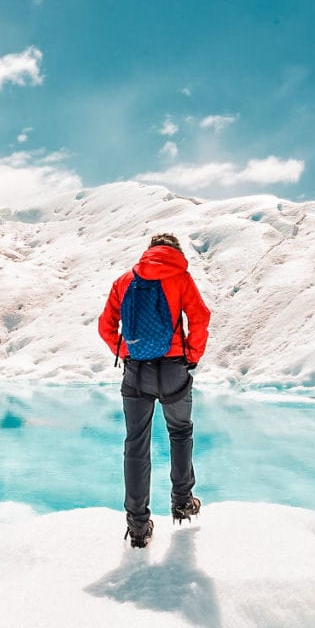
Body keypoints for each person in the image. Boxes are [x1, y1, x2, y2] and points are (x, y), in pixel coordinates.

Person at [98, 233, 211, 548]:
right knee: (180, 431)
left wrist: (126, 355)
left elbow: (106, 326)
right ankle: (182, 501)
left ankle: (137, 525)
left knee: (136, 444)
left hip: (136, 373)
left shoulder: (125, 281)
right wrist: (192, 355)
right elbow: (200, 318)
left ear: (148, 251)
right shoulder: (181, 277)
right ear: (175, 251)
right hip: (174, 368)